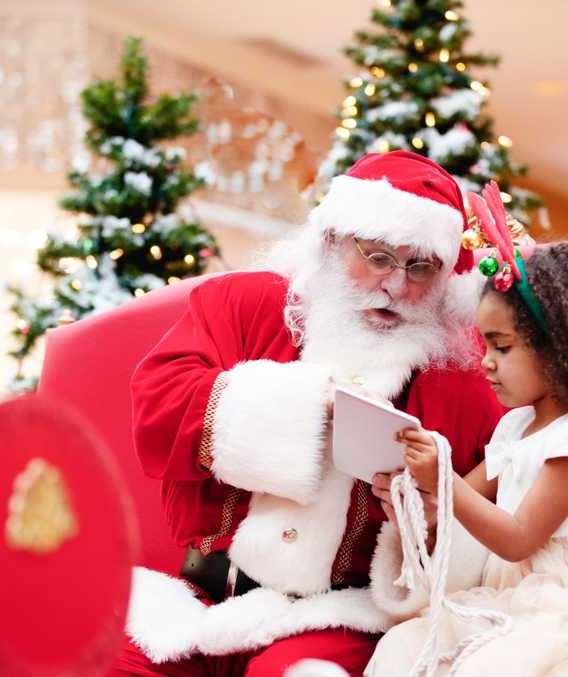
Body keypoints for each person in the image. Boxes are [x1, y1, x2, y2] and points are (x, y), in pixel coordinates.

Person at [111, 151, 505, 676]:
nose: (396, 286)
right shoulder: (243, 304)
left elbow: (490, 526)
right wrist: (306, 403)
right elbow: (159, 408)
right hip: (198, 603)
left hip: (337, 619)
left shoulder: (463, 380)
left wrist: (424, 513)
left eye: (420, 267)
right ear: (333, 240)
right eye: (379, 257)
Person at [366, 215, 568, 676]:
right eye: (485, 346)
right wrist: (416, 500)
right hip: (511, 595)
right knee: (403, 645)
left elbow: (519, 538)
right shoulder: (514, 427)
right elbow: (456, 505)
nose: (486, 363)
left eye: (502, 347)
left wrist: (443, 479)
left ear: (564, 350)